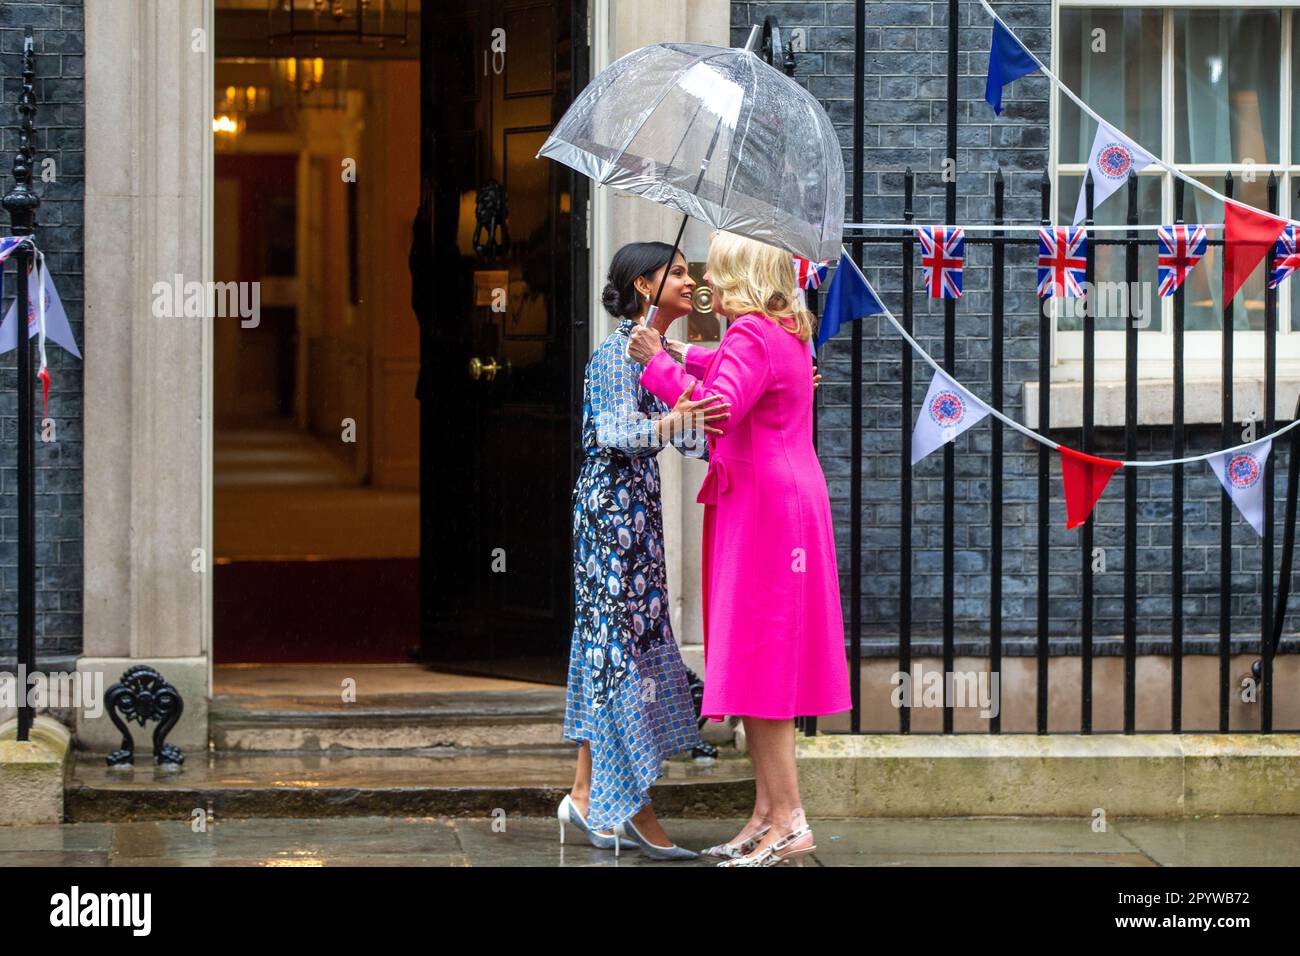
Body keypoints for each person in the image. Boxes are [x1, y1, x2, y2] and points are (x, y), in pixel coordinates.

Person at [628, 230, 852, 867]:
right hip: (773, 502)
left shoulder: (753, 333)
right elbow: (729, 369)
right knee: (758, 660)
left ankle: (788, 820)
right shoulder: (780, 330)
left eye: (718, 272)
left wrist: (657, 363)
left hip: (766, 512)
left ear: (743, 274)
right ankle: (764, 815)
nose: (707, 284)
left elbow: (720, 408)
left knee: (764, 661)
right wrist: (679, 353)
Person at [558, 241, 730, 861]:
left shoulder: (655, 355)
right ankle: (633, 807)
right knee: (616, 652)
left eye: (688, 271)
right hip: (607, 517)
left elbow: (690, 440)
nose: (692, 281)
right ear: (643, 287)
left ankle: (583, 794)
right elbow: (613, 432)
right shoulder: (613, 353)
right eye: (678, 273)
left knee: (617, 645)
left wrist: (729, 416)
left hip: (640, 516)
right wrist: (673, 420)